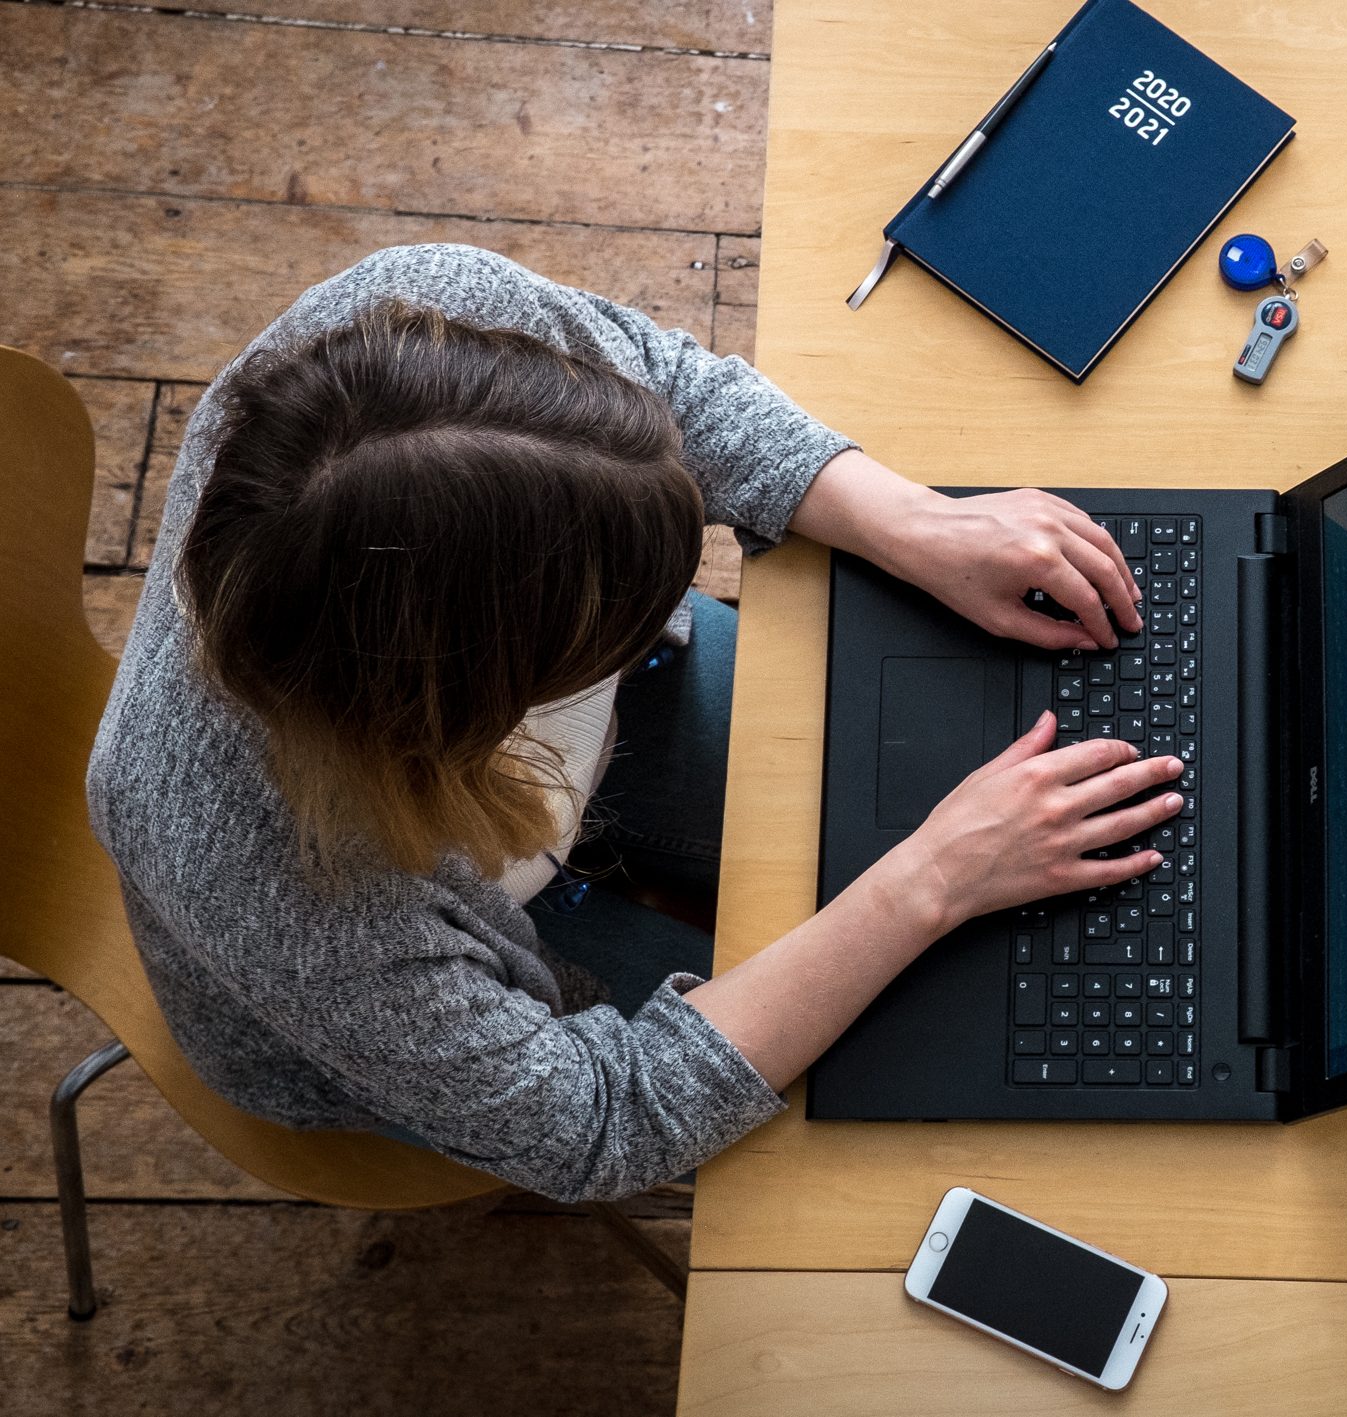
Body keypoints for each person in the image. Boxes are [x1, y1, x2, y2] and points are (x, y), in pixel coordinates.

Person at [87, 244, 1183, 1202]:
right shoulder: (281, 890)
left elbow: (671, 392)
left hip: (507, 774)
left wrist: (915, 522)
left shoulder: (414, 321)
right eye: (601, 627)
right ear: (484, 696)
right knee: (903, 1055)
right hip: (428, 972)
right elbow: (601, 1122)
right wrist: (931, 878)